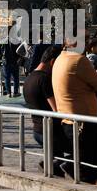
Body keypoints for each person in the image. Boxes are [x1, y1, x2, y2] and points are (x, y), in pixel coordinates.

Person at [51, 36, 97, 182]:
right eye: (85, 38)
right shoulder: (79, 60)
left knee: (81, 156)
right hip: (83, 119)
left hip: (67, 117)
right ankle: (70, 167)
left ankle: (68, 165)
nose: (87, 42)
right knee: (88, 165)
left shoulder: (60, 58)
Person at [22, 43, 65, 174]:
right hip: (50, 131)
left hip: (37, 129)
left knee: (55, 159)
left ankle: (49, 164)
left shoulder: (29, 78)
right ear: (52, 62)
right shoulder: (44, 79)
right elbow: (55, 109)